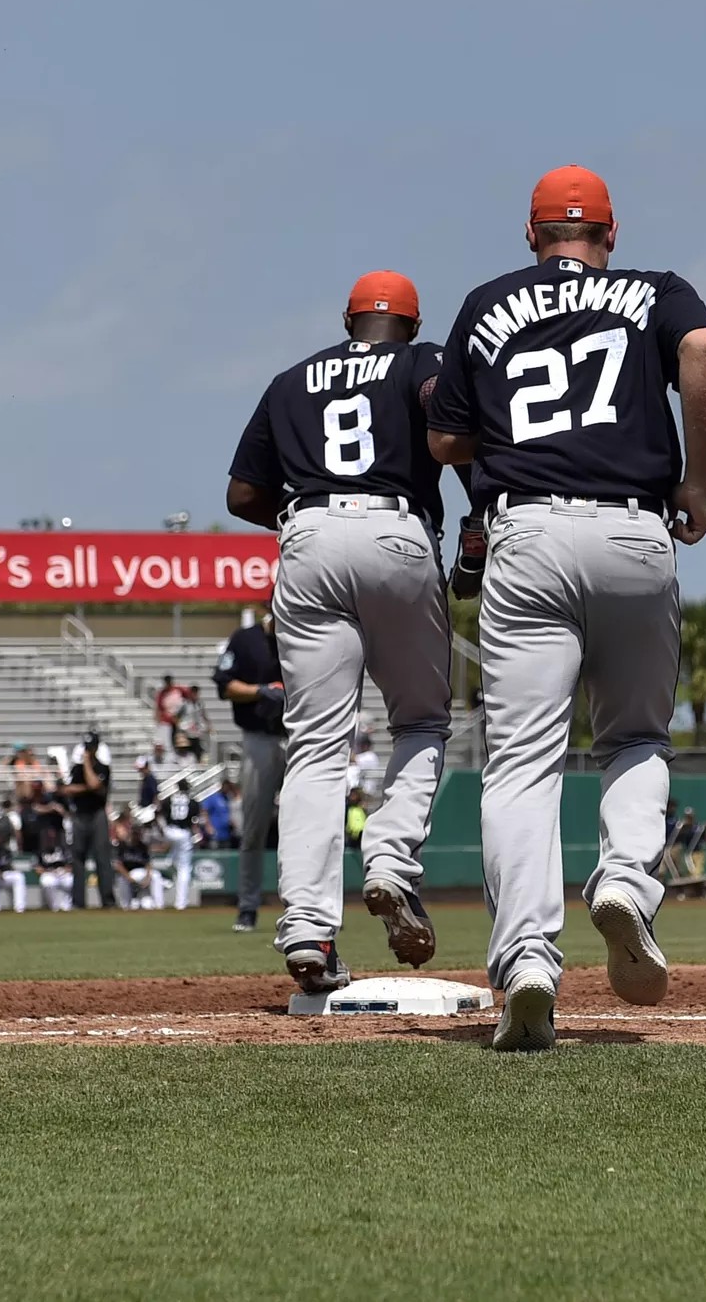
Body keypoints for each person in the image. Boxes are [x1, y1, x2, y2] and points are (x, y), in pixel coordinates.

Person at [427, 163, 706, 1053]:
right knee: (634, 736)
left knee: (521, 764)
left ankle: (525, 957)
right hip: (635, 530)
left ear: (531, 235)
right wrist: (698, 484)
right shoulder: (656, 290)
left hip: (526, 532)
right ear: (611, 233)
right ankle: (627, 882)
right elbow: (705, 352)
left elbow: (445, 435)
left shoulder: (488, 303)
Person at [225, 268, 462, 994]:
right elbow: (457, 433)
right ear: (412, 324)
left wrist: (313, 524)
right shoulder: (427, 362)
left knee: (317, 746)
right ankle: (389, 859)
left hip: (308, 532)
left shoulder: (292, 378)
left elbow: (241, 494)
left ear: (347, 319)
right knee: (421, 718)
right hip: (396, 529)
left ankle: (306, 928)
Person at [213, 612, 288, 931]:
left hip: (299, 735)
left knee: (308, 828)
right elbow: (225, 685)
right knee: (254, 828)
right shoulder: (246, 639)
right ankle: (248, 907)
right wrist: (261, 691)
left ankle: (309, 910)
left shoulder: (304, 633)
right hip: (258, 738)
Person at [64, 734, 120, 910]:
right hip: (80, 814)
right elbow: (68, 789)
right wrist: (86, 787)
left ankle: (108, 900)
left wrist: (87, 765)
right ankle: (78, 901)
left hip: (97, 814)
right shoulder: (76, 769)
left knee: (102, 858)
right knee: (78, 858)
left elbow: (95, 785)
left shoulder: (103, 768)